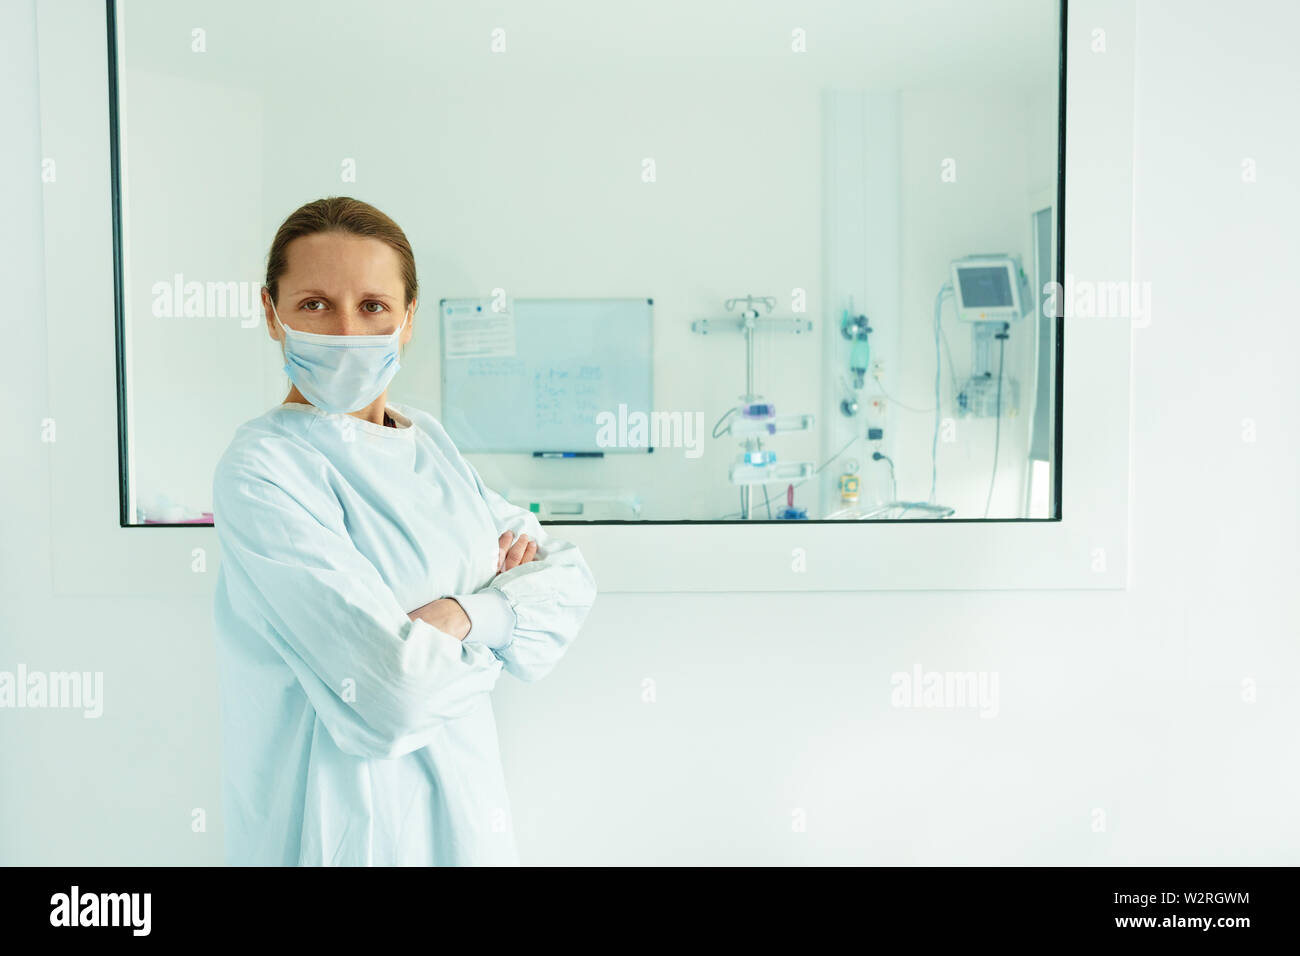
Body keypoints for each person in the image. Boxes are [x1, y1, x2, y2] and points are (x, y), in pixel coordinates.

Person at [211, 196, 597, 865]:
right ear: (271, 313)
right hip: (345, 831)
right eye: (314, 305)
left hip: (469, 816)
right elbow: (392, 695)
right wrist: (502, 622)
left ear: (408, 319)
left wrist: (459, 618)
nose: (346, 332)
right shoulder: (263, 469)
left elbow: (568, 581)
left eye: (373, 306)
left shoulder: (429, 442)